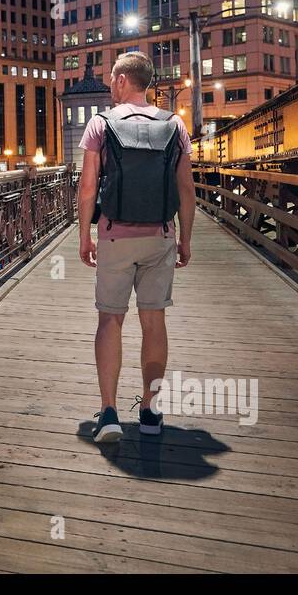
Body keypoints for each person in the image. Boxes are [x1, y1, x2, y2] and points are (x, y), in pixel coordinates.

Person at [77, 51, 196, 442]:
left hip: (114, 235)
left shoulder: (100, 124)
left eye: (113, 79)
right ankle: (149, 410)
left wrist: (84, 235)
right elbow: (186, 190)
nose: (111, 86)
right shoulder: (175, 125)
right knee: (153, 321)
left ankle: (109, 413)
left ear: (124, 80)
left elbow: (88, 187)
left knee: (110, 319)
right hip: (159, 235)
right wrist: (185, 238)